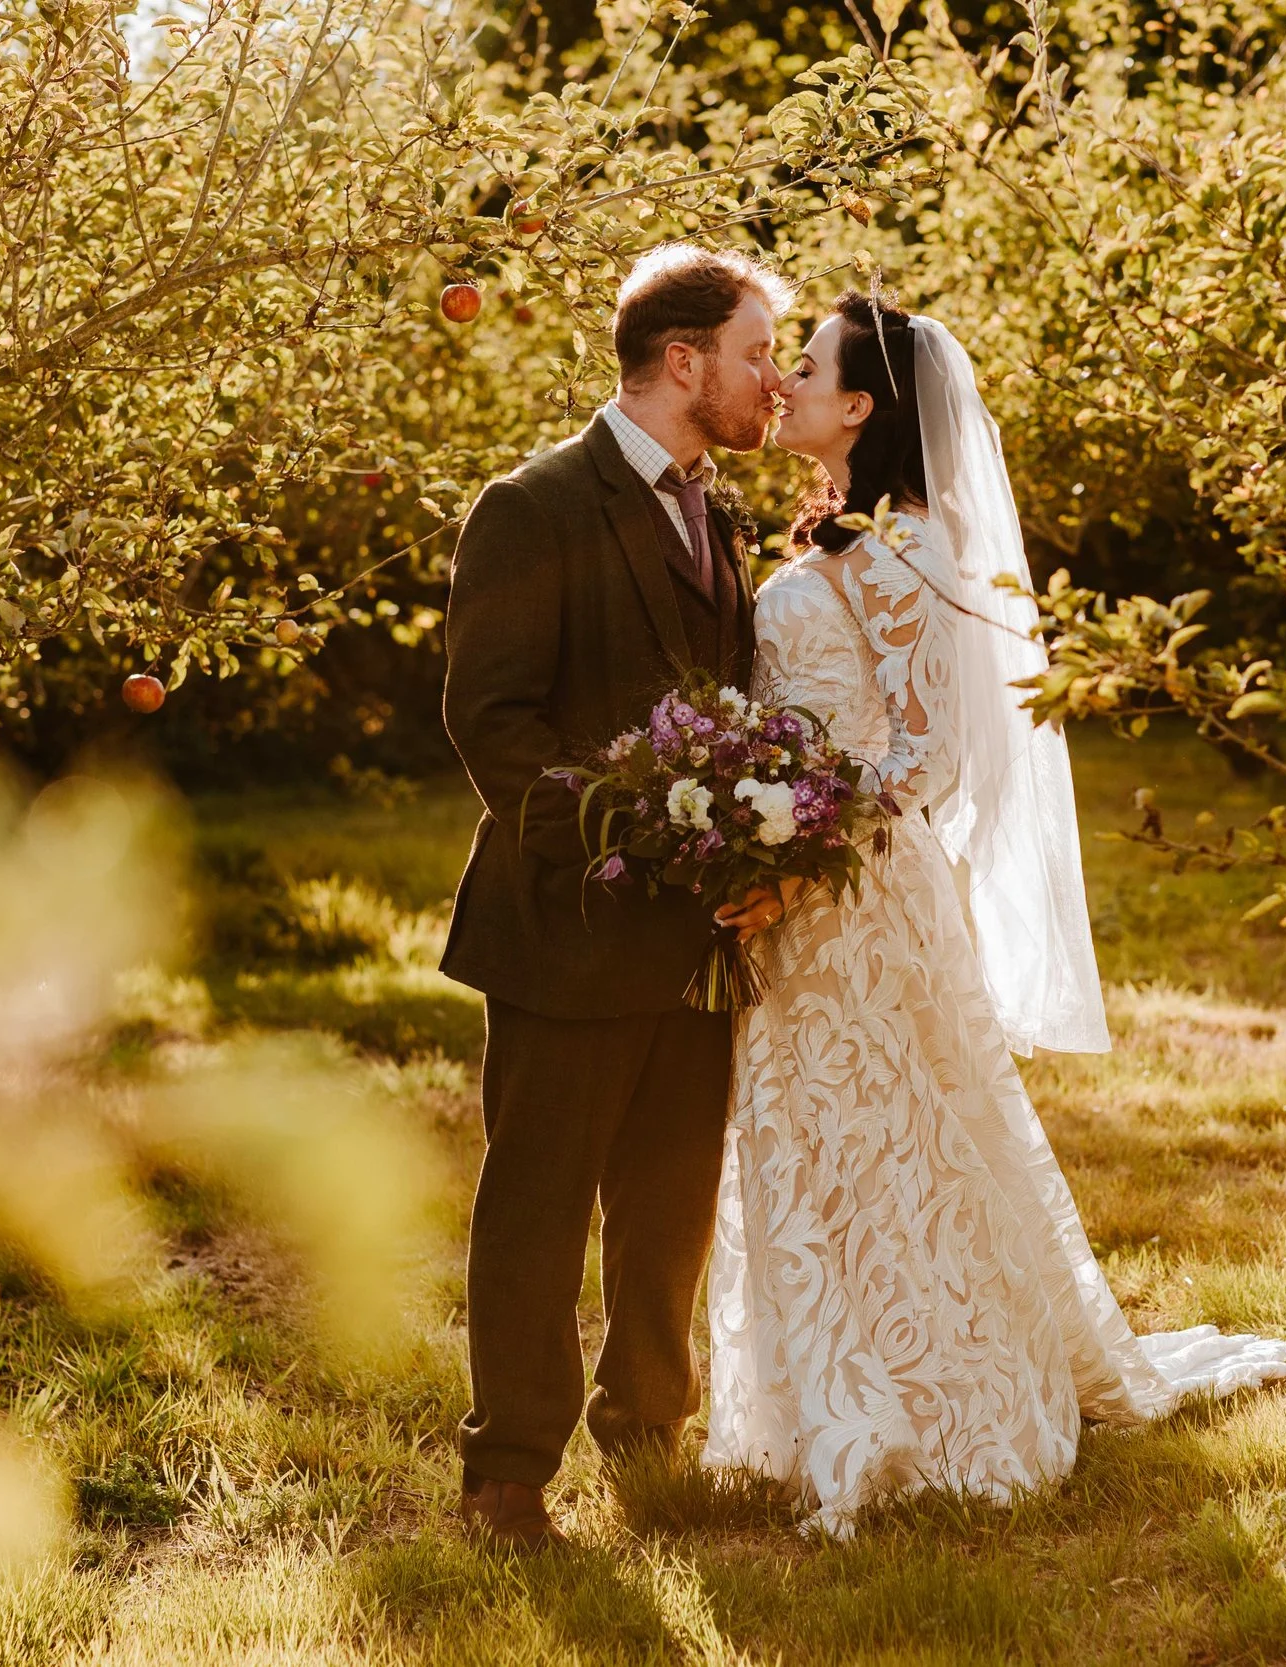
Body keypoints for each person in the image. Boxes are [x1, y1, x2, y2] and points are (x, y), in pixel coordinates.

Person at [702, 293, 1286, 1535]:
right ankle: (813, 1393)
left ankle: (935, 1392)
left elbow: (930, 751)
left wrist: (798, 846)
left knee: (895, 1142)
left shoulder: (909, 542)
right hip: (800, 887)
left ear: (859, 406)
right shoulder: (838, 529)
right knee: (812, 1140)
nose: (782, 382)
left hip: (854, 892)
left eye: (802, 366)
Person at [436, 245, 794, 1552]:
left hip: (701, 934)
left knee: (671, 1203)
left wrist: (744, 850)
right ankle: (507, 1477)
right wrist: (620, 842)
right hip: (567, 929)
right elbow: (492, 717)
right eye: (760, 354)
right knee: (538, 1207)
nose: (775, 380)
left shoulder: (721, 510)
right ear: (685, 362)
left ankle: (650, 1434)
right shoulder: (531, 505)